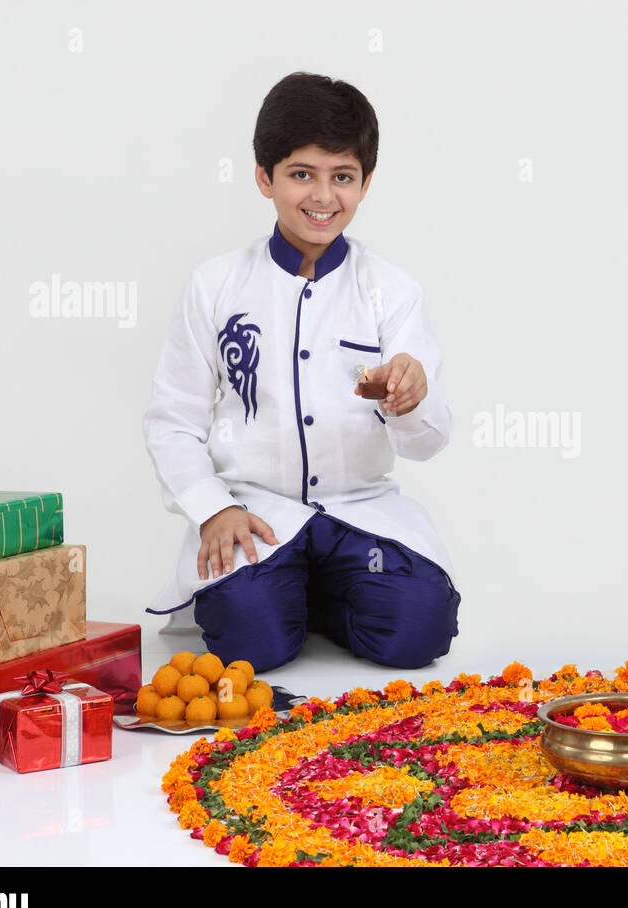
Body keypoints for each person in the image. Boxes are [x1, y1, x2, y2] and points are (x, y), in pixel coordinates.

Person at [142, 72, 460, 673]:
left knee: (416, 632)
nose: (322, 196)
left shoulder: (391, 292)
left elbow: (430, 441)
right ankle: (277, 589)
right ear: (265, 178)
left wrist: (413, 399)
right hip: (254, 514)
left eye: (342, 176)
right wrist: (214, 508)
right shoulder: (216, 285)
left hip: (359, 513)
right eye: (301, 174)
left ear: (365, 183)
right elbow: (172, 422)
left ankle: (318, 596)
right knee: (250, 644)